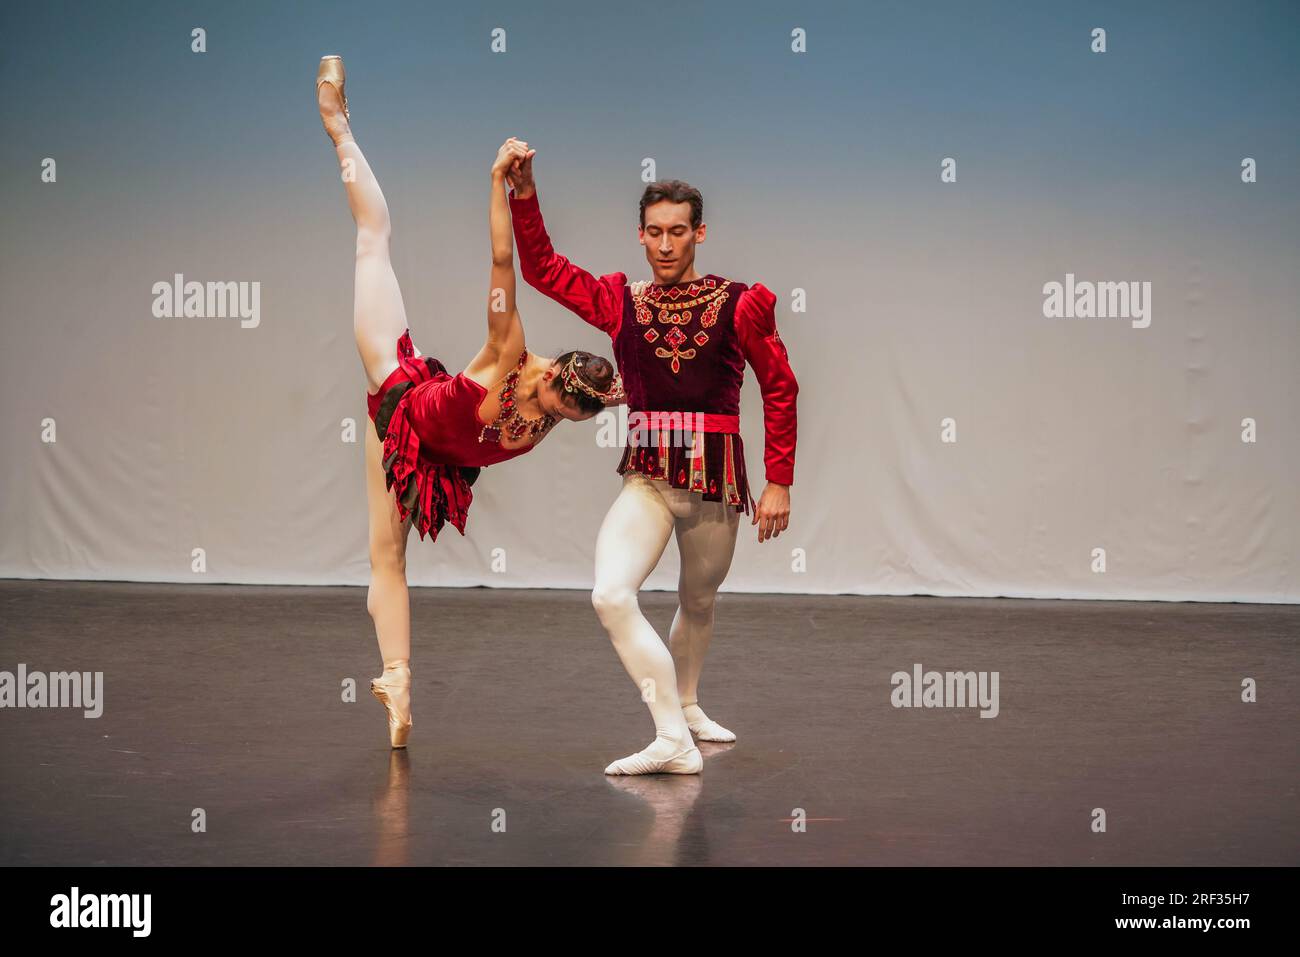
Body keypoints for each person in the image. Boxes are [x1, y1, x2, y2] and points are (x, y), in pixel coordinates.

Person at [315, 57, 622, 748]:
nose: (549, 420)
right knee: (375, 240)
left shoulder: (588, 393)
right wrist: (499, 186)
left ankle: (397, 678)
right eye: (552, 407)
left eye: (564, 422)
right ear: (550, 376)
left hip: (431, 456)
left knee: (387, 561)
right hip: (394, 382)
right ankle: (337, 124)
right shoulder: (509, 349)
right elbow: (503, 262)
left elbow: (647, 376)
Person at [504, 142, 799, 775]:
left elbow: (781, 386)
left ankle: (686, 707)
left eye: (678, 233)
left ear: (699, 233)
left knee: (698, 601)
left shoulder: (739, 303)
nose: (666, 246)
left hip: (716, 479)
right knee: (611, 594)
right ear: (640, 235)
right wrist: (524, 196)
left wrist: (779, 482)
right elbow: (545, 270)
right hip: (649, 476)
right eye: (655, 233)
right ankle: (671, 737)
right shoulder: (620, 300)